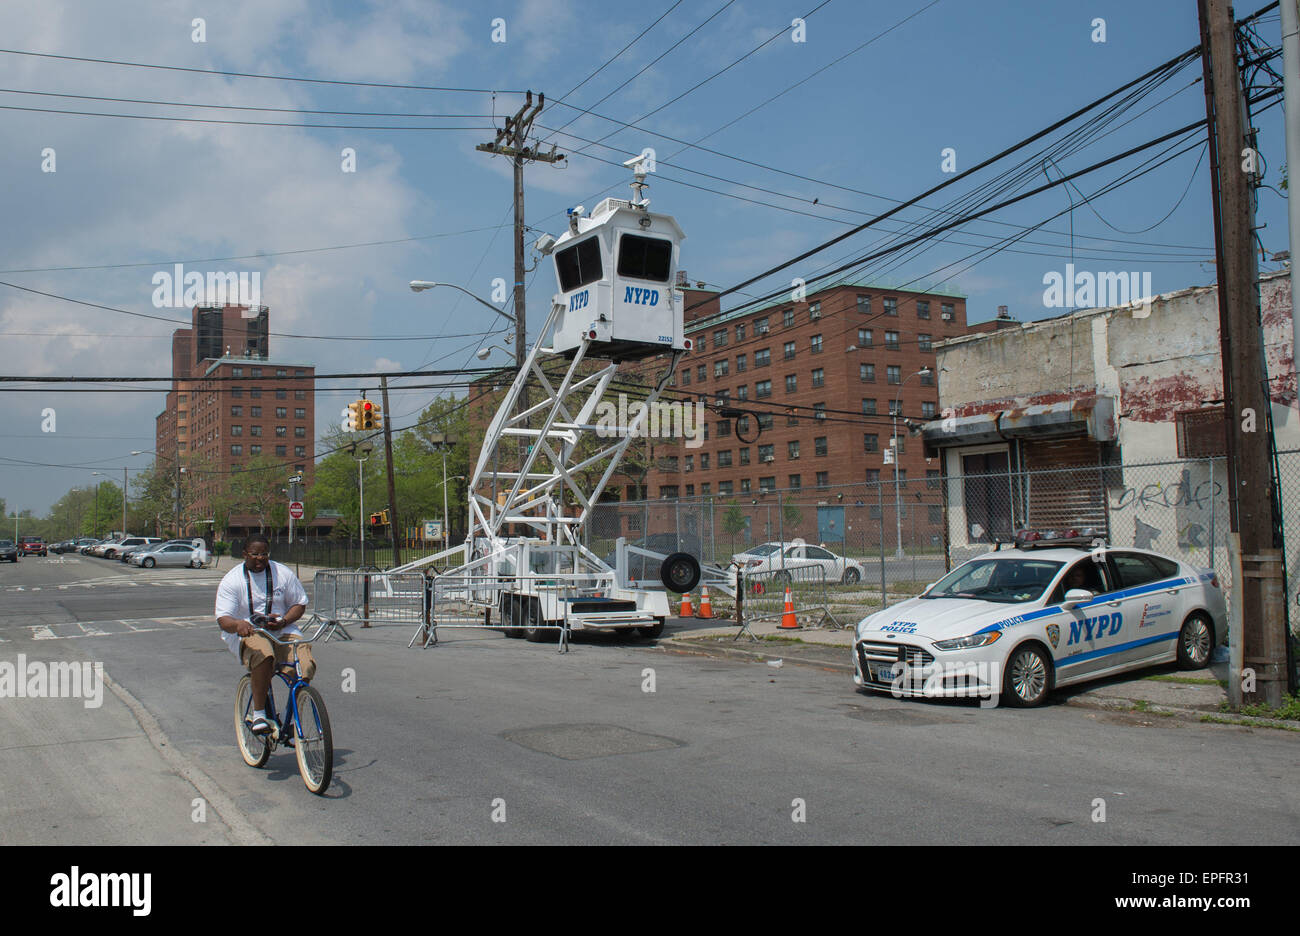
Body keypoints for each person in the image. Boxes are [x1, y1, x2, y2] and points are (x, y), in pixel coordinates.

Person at [215, 534, 313, 735]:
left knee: (305, 664)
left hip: (282, 630)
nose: (260, 558)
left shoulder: (282, 573)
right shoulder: (232, 580)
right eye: (255, 554)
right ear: (244, 554)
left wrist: (284, 620)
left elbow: (299, 603)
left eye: (264, 554)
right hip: (250, 631)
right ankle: (259, 713)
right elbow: (224, 620)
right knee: (264, 655)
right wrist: (238, 625)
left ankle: (291, 716)